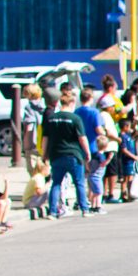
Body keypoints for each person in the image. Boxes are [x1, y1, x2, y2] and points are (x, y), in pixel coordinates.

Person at [42, 85, 91, 219]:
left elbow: (45, 138)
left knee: (56, 183)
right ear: (71, 103)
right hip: (73, 154)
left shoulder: (51, 118)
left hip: (56, 154)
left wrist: (44, 154)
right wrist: (87, 153)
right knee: (79, 182)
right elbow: (82, 138)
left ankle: (52, 211)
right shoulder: (75, 119)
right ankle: (85, 209)